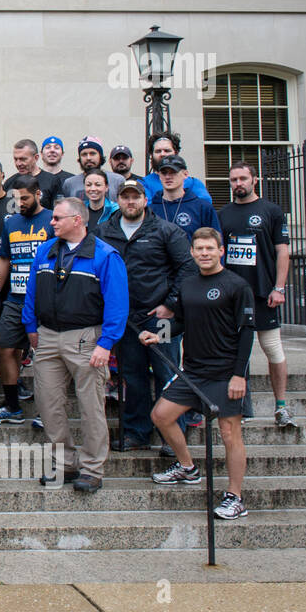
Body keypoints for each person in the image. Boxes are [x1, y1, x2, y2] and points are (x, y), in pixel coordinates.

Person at [146, 227, 255, 519]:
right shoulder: (189, 285)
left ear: (221, 251)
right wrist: (160, 336)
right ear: (192, 252)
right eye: (199, 249)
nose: (204, 254)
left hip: (225, 373)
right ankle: (187, 467)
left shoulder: (237, 285)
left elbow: (246, 333)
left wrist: (239, 375)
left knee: (230, 433)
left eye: (210, 249)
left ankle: (236, 496)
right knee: (161, 415)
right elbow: (182, 322)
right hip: (192, 371)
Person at [24, 198, 129, 493]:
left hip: (85, 338)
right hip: (47, 337)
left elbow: (118, 305)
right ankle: (66, 463)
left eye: (58, 218)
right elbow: (31, 291)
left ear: (77, 221)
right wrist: (30, 326)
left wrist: (106, 343)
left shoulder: (105, 255)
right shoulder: (46, 250)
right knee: (48, 404)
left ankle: (93, 469)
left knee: (90, 405)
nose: (51, 222)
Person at [95, 179, 194, 450]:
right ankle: (136, 433)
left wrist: (170, 303)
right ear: (119, 200)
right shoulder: (104, 231)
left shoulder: (166, 230)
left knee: (166, 374)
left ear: (145, 200)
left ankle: (172, 438)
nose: (130, 202)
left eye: (135, 197)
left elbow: (186, 267)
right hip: (126, 319)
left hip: (160, 318)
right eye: (125, 197)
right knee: (132, 376)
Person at [217, 161, 295, 427]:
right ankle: (239, 407)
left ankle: (281, 407)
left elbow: (282, 251)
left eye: (242, 178)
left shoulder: (271, 211)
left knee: (273, 349)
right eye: (233, 180)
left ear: (254, 180)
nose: (238, 184)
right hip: (232, 297)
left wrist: (279, 288)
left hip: (263, 294)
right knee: (235, 353)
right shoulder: (223, 214)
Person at [0, 175, 52, 426]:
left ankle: (46, 411)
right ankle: (12, 405)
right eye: (15, 199)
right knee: (3, 347)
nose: (20, 203)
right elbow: (5, 258)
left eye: (25, 198)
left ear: (38, 194)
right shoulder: (11, 222)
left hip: (45, 301)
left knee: (47, 356)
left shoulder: (51, 219)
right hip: (16, 298)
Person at [150, 154, 221, 240]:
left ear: (185, 174)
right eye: (164, 173)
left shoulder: (202, 208)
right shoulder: (150, 210)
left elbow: (216, 242)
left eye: (173, 172)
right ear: (159, 176)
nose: (168, 177)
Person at [140, 132, 213, 204]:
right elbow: (147, 209)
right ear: (151, 155)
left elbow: (203, 206)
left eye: (167, 150)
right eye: (158, 151)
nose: (162, 154)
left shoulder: (193, 183)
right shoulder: (143, 184)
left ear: (176, 153)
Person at [61, 137, 125, 201]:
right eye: (84, 154)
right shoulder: (70, 183)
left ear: (100, 156)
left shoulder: (117, 180)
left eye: (92, 153)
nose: (88, 158)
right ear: (79, 158)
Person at [5, 139, 62, 209]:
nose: (18, 163)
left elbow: (58, 211)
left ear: (36, 158)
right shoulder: (9, 182)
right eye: (15, 159)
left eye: (23, 159)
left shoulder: (52, 181)